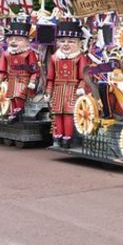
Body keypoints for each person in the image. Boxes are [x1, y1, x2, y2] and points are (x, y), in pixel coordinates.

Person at [46, 19, 90, 149]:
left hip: (73, 89)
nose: (66, 44)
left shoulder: (80, 58)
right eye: (62, 41)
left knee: (69, 114)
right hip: (58, 89)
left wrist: (81, 87)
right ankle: (58, 135)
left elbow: (84, 76)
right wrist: (48, 91)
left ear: (79, 43)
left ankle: (67, 138)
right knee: (58, 113)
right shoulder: (54, 58)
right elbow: (50, 77)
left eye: (71, 41)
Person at [0, 20, 40, 121]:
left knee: (18, 94)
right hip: (11, 78)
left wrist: (32, 81)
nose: (13, 42)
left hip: (24, 79)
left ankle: (19, 110)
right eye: (11, 39)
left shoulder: (29, 53)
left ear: (26, 41)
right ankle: (14, 111)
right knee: (11, 96)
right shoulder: (6, 54)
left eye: (18, 39)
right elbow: (2, 69)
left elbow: (34, 69)